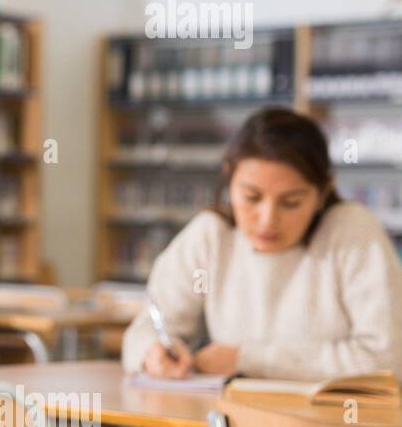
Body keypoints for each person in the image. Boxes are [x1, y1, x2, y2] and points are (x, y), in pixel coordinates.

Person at [123, 106, 402, 381]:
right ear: (229, 177)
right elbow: (146, 330)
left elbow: (386, 359)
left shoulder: (352, 233)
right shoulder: (212, 235)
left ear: (323, 192)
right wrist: (154, 353)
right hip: (235, 420)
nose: (268, 220)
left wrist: (245, 359)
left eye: (291, 202)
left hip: (338, 423)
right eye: (252, 197)